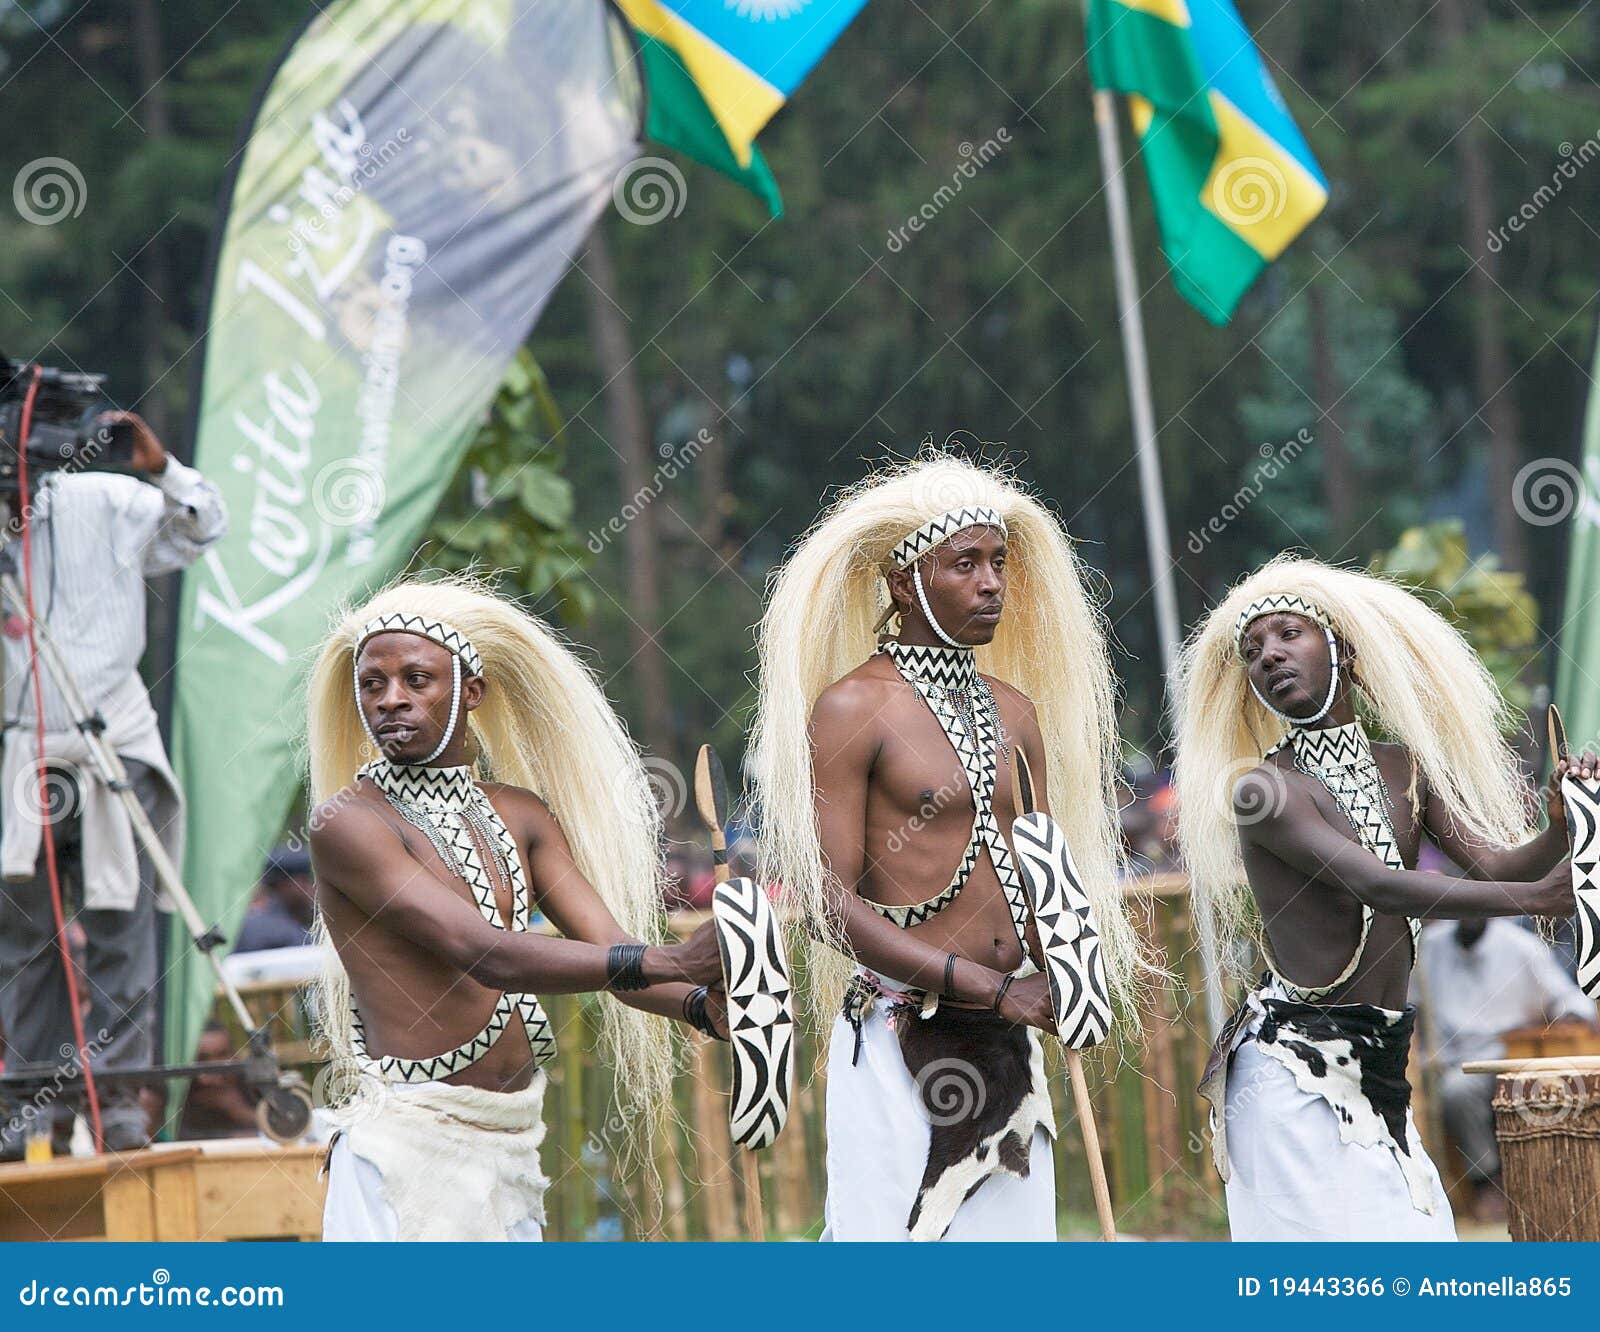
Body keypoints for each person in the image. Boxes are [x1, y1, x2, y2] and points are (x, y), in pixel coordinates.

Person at [751, 454, 1149, 1241]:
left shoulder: (1014, 710)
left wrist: (1067, 971)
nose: (991, 583)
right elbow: (827, 905)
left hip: (1007, 1038)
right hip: (900, 1034)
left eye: (998, 562)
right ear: (904, 584)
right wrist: (997, 991)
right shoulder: (853, 707)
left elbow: (1040, 872)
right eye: (964, 563)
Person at [307, 577, 729, 1241]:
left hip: (511, 1146)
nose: (390, 699)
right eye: (372, 684)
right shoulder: (348, 823)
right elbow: (486, 953)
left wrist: (701, 1006)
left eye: (416, 679)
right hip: (407, 1148)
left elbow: (609, 947)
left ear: (471, 691)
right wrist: (676, 959)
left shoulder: (521, 813)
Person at [1173, 558, 1579, 1241]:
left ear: (1343, 650)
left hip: (1379, 1071)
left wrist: (1561, 829)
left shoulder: (1404, 767)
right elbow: (1378, 884)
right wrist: (1536, 896)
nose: (1269, 655)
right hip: (1292, 1075)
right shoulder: (1262, 790)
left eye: (1289, 634)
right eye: (1254, 650)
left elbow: (1493, 865)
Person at [0, 412, 227, 1159]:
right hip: (22, 752)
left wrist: (160, 468)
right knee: (23, 940)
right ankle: (29, 1106)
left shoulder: (103, 496)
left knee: (121, 929)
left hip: (114, 743)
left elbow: (202, 528)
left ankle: (120, 1101)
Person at [1416, 918, 1599, 1216]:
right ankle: (1484, 1184)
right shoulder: (1431, 944)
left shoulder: (1520, 945)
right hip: (1448, 1059)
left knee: (1468, 1091)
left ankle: (1519, 1184)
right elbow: (1410, 1005)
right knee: (1453, 1089)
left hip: (1508, 1054)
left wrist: (1569, 1019)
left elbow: (1570, 1000)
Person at [234, 846, 316, 952]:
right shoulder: (283, 934)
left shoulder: (246, 923)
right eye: (306, 880)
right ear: (283, 885)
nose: (312, 888)